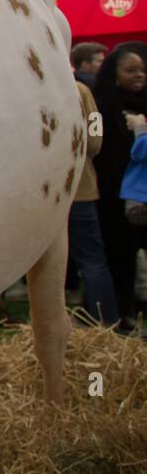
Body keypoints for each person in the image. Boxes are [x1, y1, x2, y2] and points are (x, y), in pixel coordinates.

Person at [91, 43, 147, 333]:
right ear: (114, 75)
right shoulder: (103, 107)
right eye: (131, 70)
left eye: (142, 70)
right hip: (117, 199)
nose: (139, 75)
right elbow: (102, 153)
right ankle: (124, 314)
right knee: (122, 259)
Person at [67, 80, 118, 327]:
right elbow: (96, 136)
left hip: (34, 193)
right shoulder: (80, 90)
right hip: (79, 186)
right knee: (92, 261)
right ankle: (105, 322)